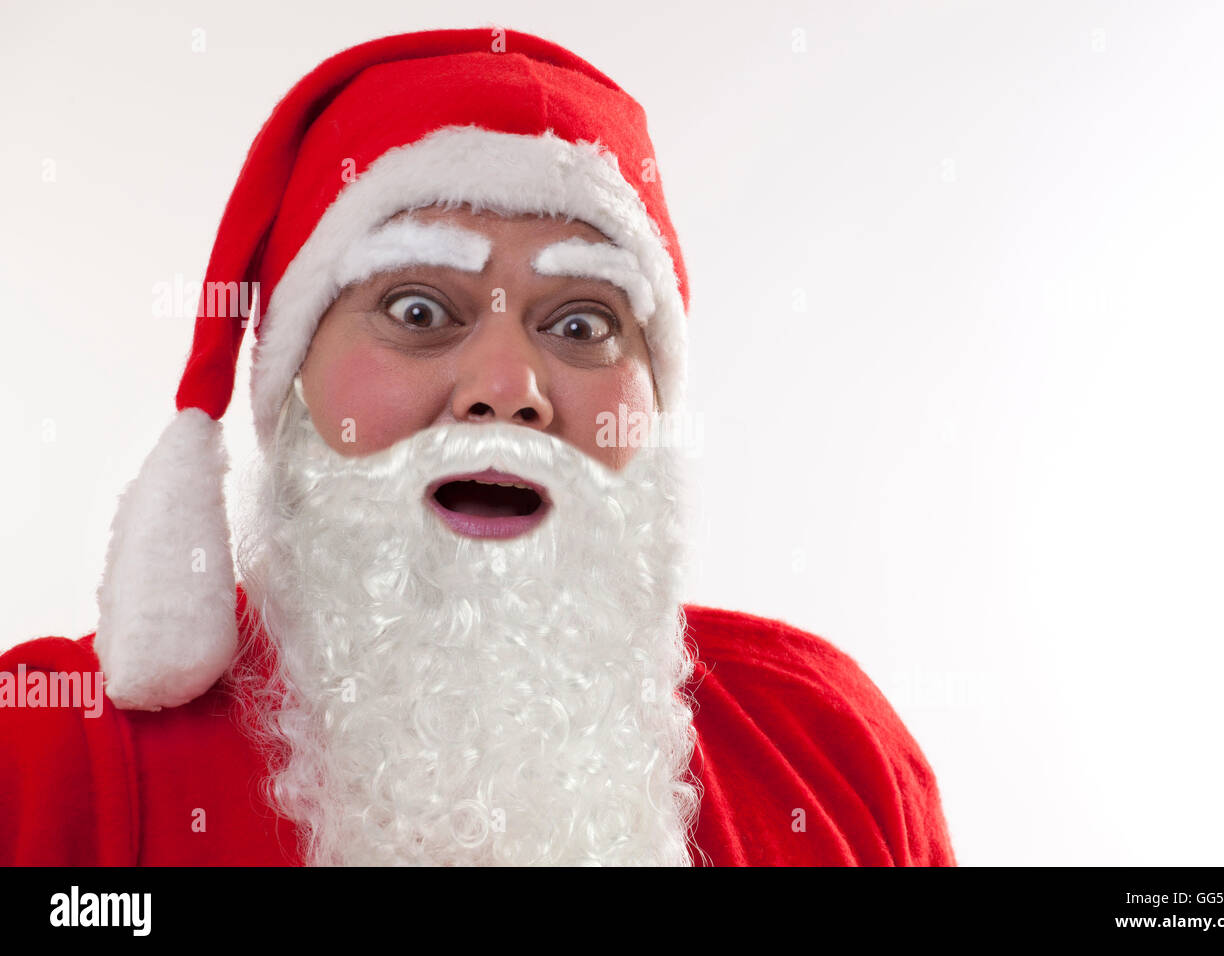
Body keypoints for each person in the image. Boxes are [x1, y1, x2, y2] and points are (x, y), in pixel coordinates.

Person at [0, 27, 956, 866]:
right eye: (418, 309)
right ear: (293, 387)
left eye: (582, 326)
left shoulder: (827, 749)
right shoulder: (43, 766)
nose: (507, 389)